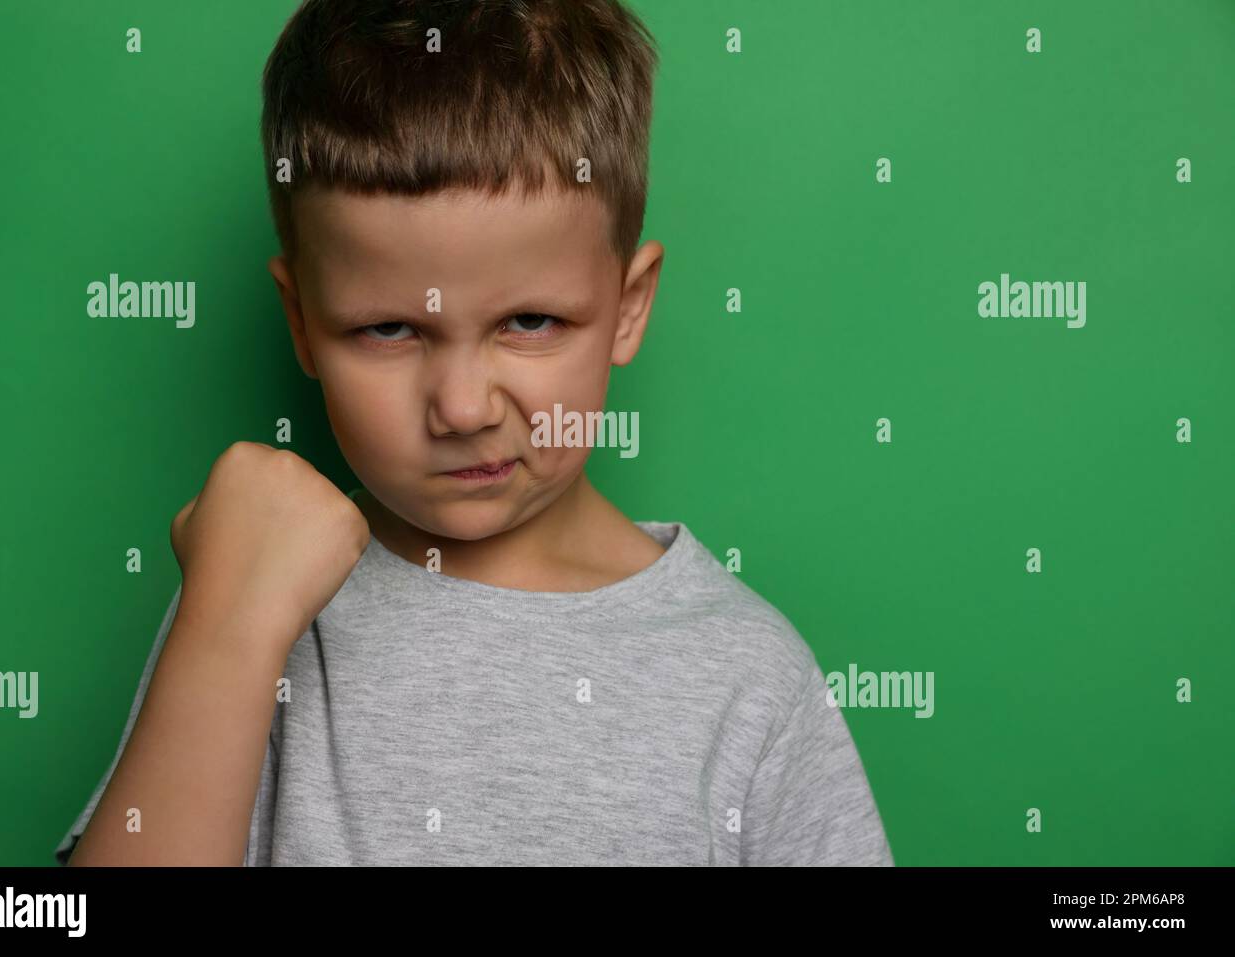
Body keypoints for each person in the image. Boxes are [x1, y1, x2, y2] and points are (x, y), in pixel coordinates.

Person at [56, 0, 893, 866]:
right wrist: (230, 629)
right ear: (301, 322)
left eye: (530, 321)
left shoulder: (748, 679)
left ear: (627, 307)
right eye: (388, 329)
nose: (462, 408)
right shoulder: (255, 598)